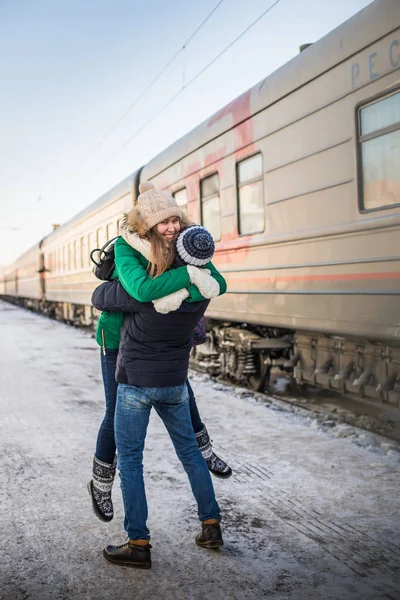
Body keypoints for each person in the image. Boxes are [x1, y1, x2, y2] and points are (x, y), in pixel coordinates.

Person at [91, 183, 226, 568]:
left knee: (131, 458)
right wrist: (191, 278)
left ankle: (138, 542)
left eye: (175, 220)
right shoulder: (192, 283)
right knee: (186, 449)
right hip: (170, 372)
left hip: (136, 373)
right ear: (147, 226)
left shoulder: (168, 266)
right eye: (164, 222)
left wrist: (120, 296)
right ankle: (211, 521)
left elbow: (134, 292)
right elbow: (207, 284)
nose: (172, 228)